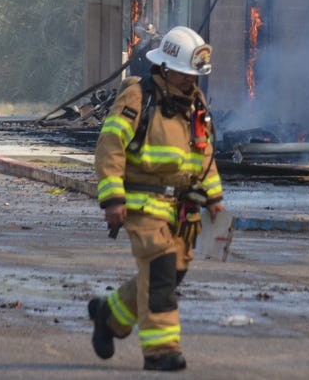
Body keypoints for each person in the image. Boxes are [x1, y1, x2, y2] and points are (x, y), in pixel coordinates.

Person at [87, 26, 225, 372]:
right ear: (164, 67)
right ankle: (161, 351)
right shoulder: (138, 97)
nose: (189, 80)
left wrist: (214, 198)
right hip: (143, 204)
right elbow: (110, 147)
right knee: (161, 272)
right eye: (183, 73)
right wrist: (112, 199)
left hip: (183, 209)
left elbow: (205, 155)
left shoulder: (196, 103)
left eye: (194, 74)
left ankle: (109, 315)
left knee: (169, 273)